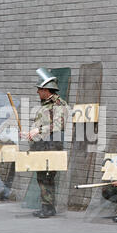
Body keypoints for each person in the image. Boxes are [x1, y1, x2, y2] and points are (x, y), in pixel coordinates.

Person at [20, 68, 69, 218]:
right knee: (41, 177)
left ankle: (48, 208)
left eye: (39, 89)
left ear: (47, 90)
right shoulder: (44, 105)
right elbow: (40, 128)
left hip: (52, 146)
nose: (37, 92)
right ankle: (47, 206)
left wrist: (39, 130)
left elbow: (59, 125)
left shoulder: (59, 104)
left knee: (47, 177)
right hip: (41, 146)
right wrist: (30, 134)